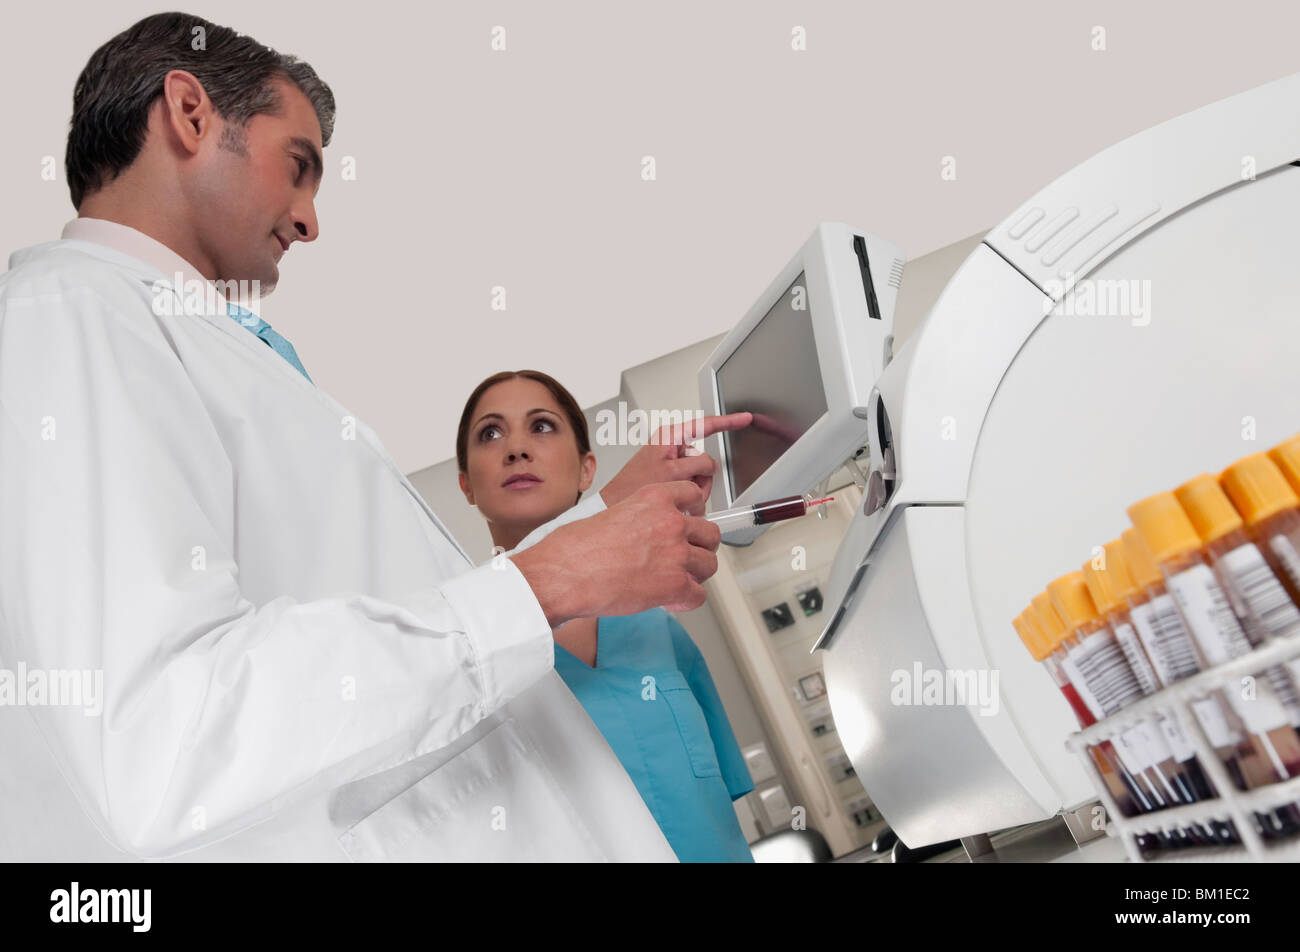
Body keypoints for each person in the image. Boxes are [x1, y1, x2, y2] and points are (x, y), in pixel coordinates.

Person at [0, 12, 750, 862]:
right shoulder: (68, 318)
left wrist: (597, 520)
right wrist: (551, 578)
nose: (310, 220)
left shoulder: (189, 343)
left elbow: (360, 615)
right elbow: (165, 742)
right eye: (299, 166)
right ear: (190, 112)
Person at [456, 371, 757, 862]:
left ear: (586, 469)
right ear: (467, 485)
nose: (515, 448)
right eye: (490, 433)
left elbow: (717, 807)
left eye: (543, 427)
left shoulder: (659, 631)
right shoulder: (469, 659)